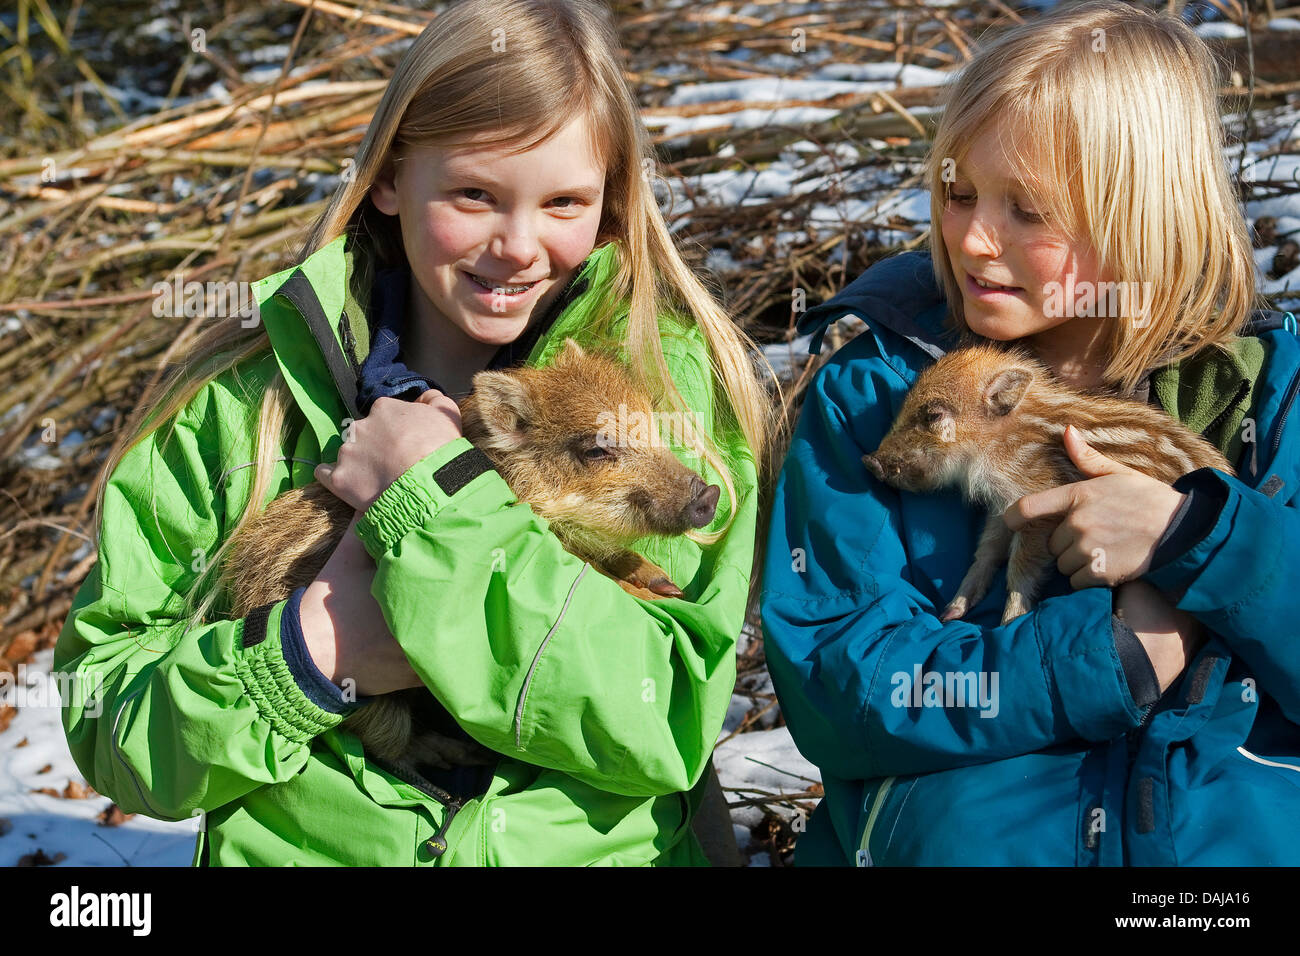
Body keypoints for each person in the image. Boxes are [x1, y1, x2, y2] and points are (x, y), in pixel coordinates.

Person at [54, 0, 780, 866]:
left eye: (564, 201)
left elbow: (665, 716)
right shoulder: (241, 406)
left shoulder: (673, 389)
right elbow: (108, 724)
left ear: (611, 205)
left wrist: (431, 519)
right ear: (392, 178)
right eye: (475, 194)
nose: (516, 245)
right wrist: (317, 650)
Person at [761, 0, 1300, 866]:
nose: (974, 239)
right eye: (958, 192)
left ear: (1147, 215)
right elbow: (839, 681)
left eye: (1028, 211)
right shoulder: (877, 394)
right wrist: (1112, 657)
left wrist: (1197, 540)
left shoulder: (1267, 392)